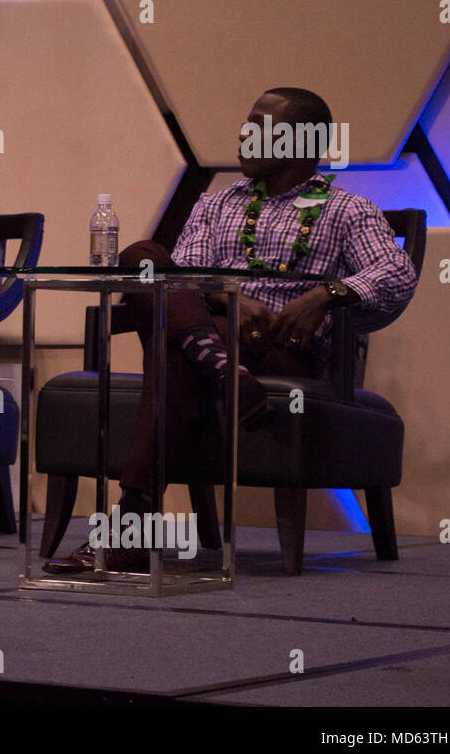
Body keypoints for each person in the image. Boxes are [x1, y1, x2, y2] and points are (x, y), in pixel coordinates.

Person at [48, 87, 419, 572]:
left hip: (281, 349)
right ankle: (223, 370)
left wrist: (326, 294)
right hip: (215, 332)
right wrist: (229, 297)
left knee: (174, 342)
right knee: (142, 257)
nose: (243, 135)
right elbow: (180, 279)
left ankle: (133, 522)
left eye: (258, 126)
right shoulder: (215, 205)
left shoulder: (347, 210)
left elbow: (397, 273)